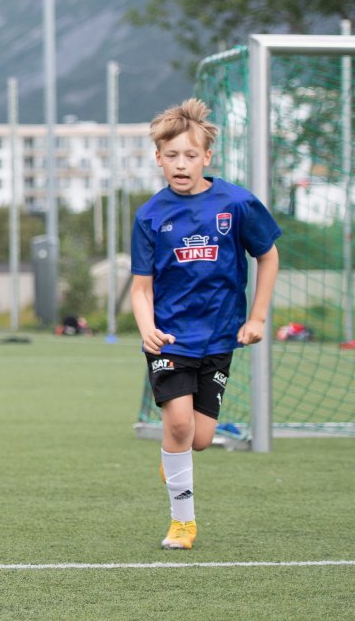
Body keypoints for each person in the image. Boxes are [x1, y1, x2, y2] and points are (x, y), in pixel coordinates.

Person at [130, 98, 280, 551]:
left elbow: (268, 257)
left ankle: (173, 459)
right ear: (158, 158)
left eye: (190, 155)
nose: (181, 163)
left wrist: (257, 317)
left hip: (219, 336)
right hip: (170, 338)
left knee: (199, 439)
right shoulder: (149, 215)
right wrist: (146, 327)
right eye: (171, 155)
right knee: (177, 426)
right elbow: (141, 287)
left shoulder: (236, 202)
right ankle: (183, 524)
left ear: (207, 157)